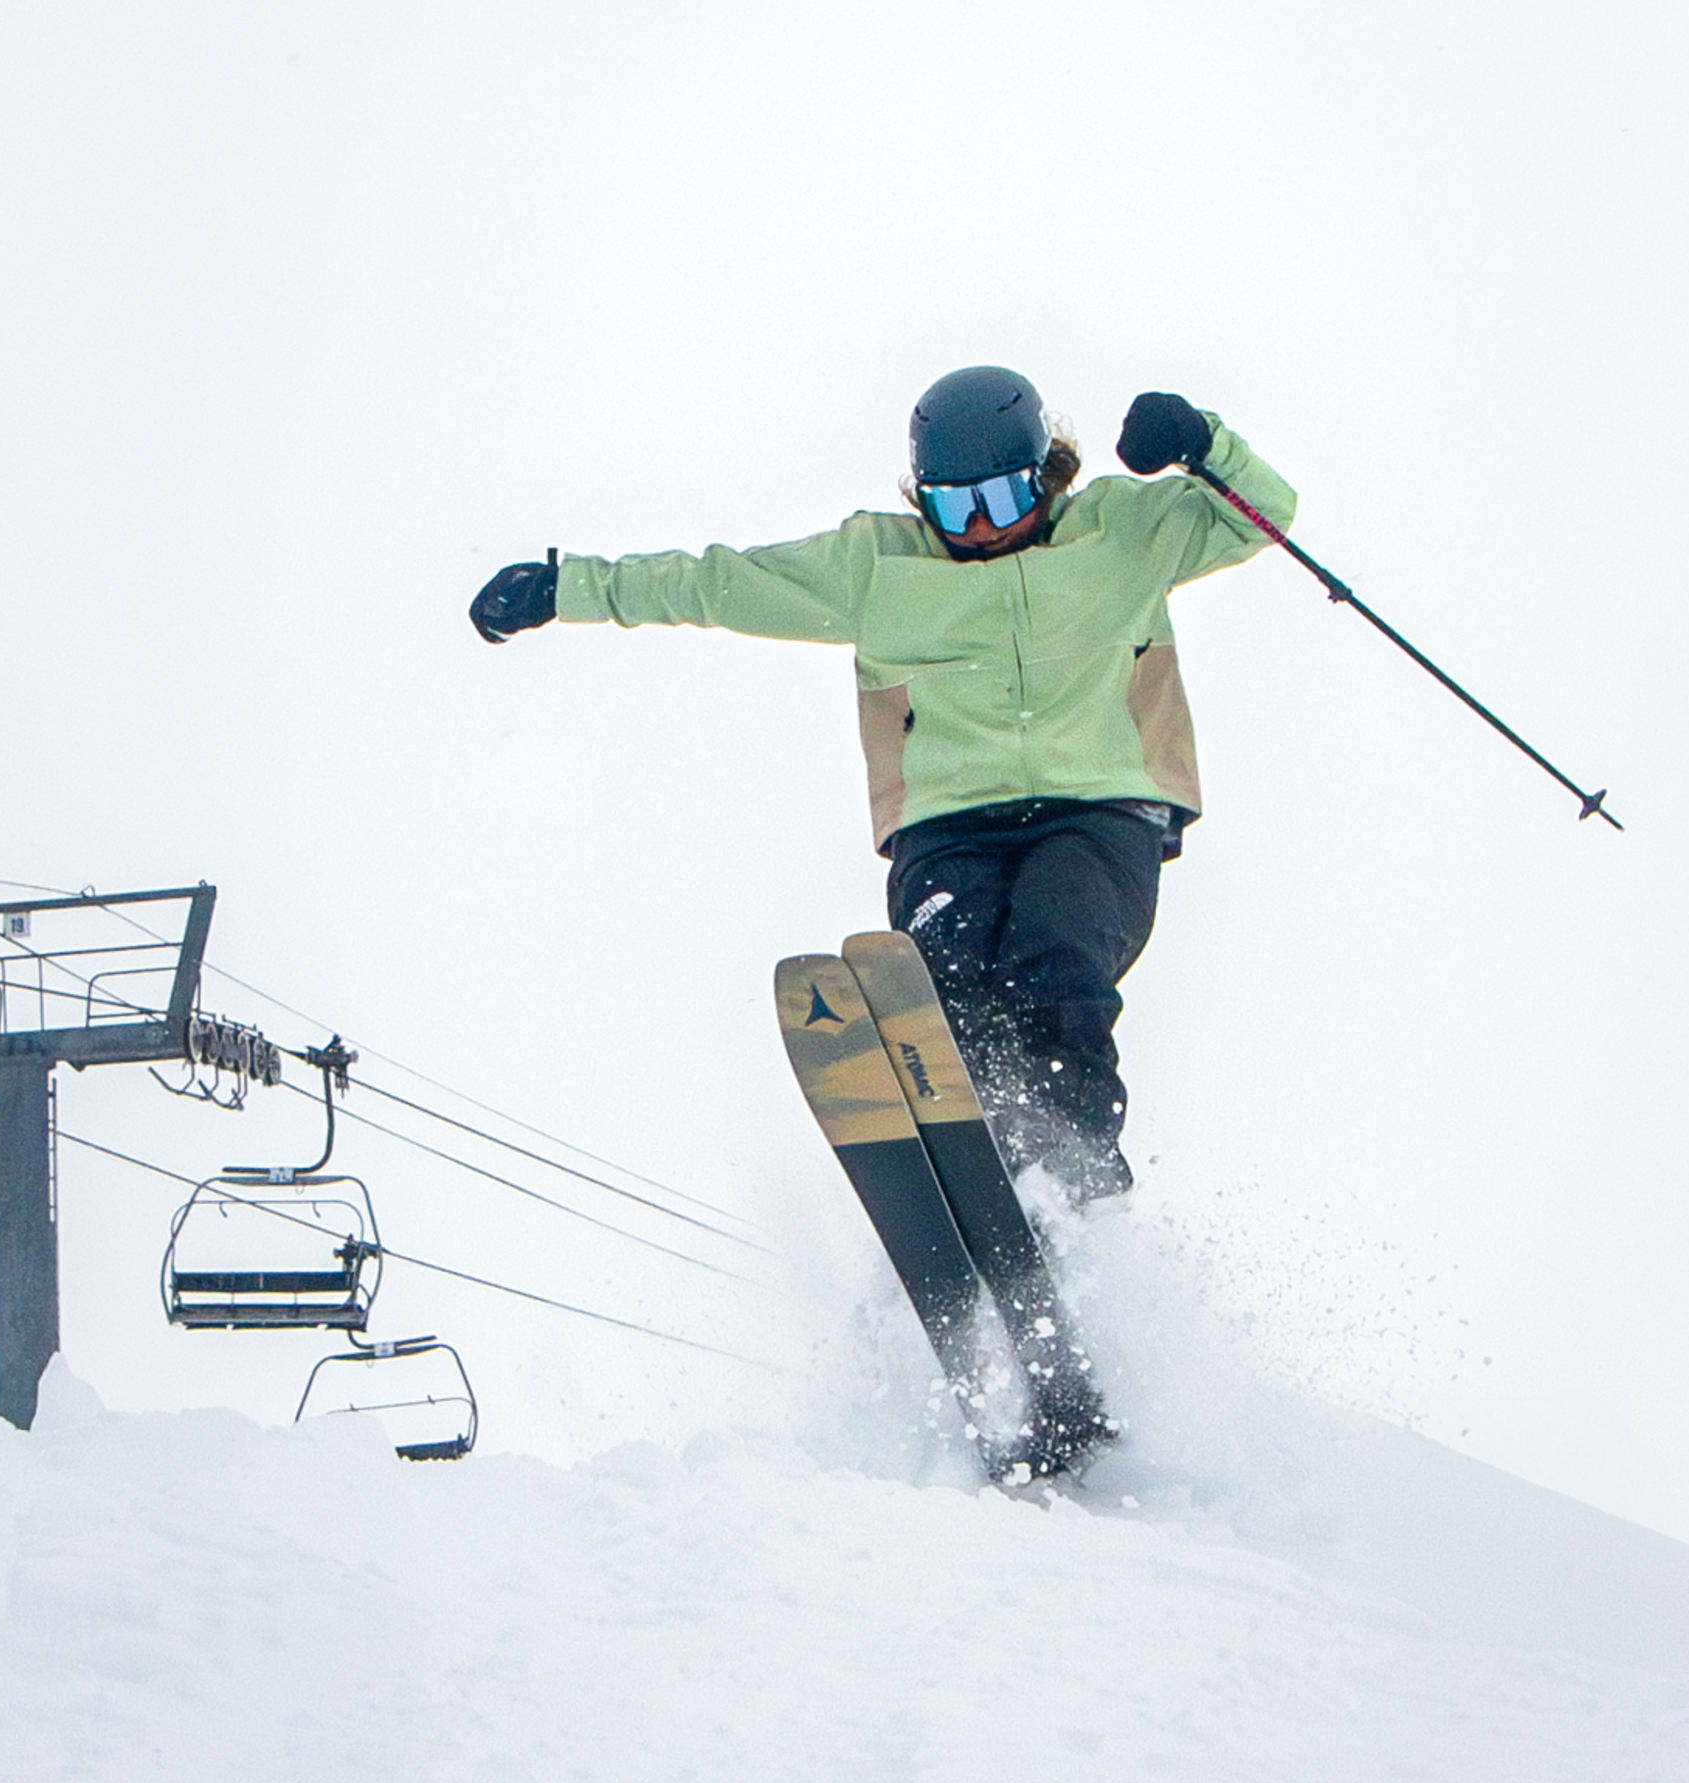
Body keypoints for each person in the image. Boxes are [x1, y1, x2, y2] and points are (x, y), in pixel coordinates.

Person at [469, 370, 1291, 1200]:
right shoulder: (875, 568)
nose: (976, 528)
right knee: (945, 978)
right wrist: (566, 585)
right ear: (919, 499)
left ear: (1049, 475)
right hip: (950, 825)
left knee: (1055, 955)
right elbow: (717, 582)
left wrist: (1202, 442)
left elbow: (1265, 514)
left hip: (1102, 809)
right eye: (950, 506)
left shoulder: (1125, 534)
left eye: (1004, 500)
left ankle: (1066, 1172)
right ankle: (972, 1177)